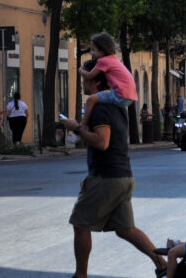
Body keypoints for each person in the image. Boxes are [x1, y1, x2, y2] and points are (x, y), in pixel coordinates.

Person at [61, 60, 167, 278]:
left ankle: (80, 275)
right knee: (125, 229)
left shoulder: (100, 108)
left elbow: (102, 142)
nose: (83, 80)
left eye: (86, 76)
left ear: (97, 80)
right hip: (123, 176)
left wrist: (77, 129)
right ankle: (163, 265)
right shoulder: (116, 106)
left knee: (80, 223)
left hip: (106, 177)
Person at [78, 32, 137, 127]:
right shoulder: (114, 59)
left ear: (103, 50)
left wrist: (80, 70)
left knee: (91, 100)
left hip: (120, 95)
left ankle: (82, 126)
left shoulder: (103, 61)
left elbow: (89, 75)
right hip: (130, 96)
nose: (91, 53)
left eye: (93, 50)